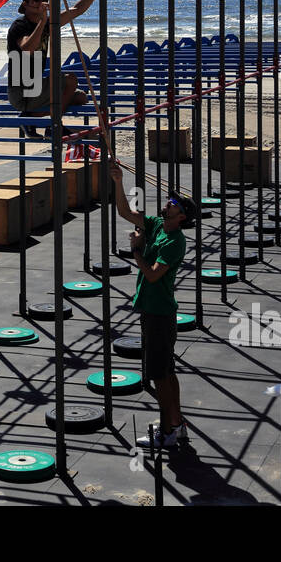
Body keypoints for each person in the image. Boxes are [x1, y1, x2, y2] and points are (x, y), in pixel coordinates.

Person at [108, 161, 195, 449]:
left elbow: (154, 275)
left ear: (181, 217)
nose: (167, 205)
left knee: (159, 374)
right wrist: (118, 181)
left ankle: (168, 432)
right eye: (170, 201)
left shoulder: (174, 241)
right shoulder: (157, 225)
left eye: (173, 204)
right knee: (167, 372)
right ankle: (177, 423)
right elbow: (123, 211)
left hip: (159, 313)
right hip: (154, 310)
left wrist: (135, 249)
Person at [6, 0, 98, 137]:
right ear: (25, 4)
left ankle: (29, 118)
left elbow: (77, 10)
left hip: (36, 89)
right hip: (21, 91)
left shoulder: (47, 23)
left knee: (81, 97)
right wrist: (42, 22)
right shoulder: (20, 25)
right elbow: (27, 48)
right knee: (70, 80)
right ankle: (54, 125)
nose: (40, 2)